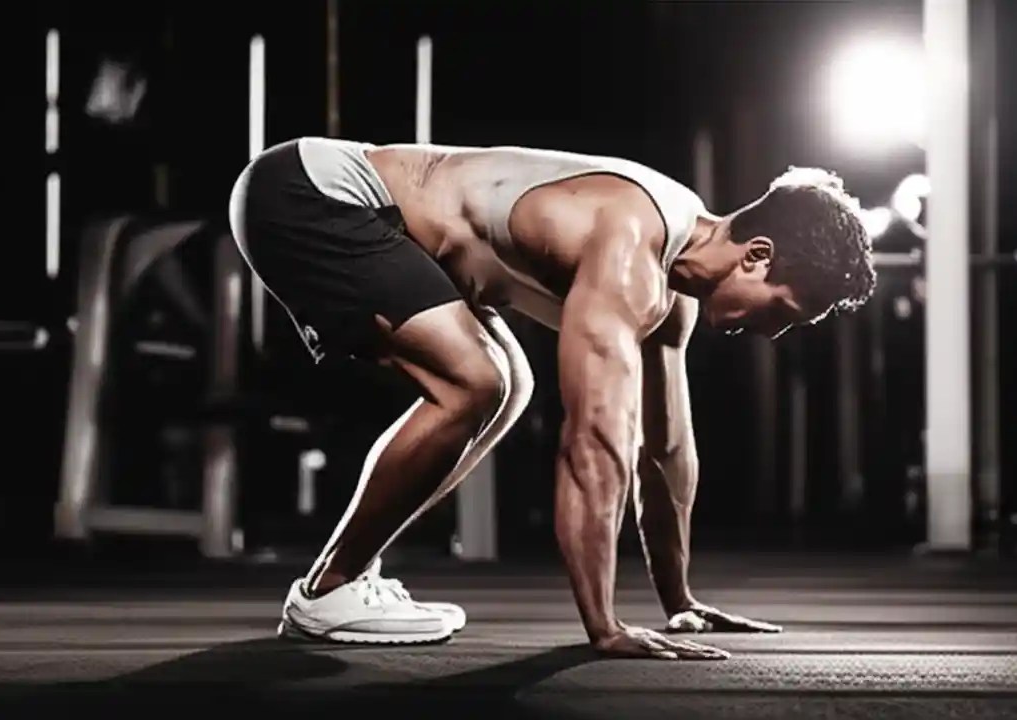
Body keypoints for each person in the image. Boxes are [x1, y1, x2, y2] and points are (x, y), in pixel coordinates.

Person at [227, 136, 875, 660]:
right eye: (787, 311)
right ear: (757, 256)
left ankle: (344, 578)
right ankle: (329, 589)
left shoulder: (676, 287)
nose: (774, 332)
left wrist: (680, 602)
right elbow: (594, 439)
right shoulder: (632, 247)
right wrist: (605, 626)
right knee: (475, 382)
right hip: (313, 194)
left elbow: (667, 450)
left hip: (351, 206)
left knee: (508, 387)